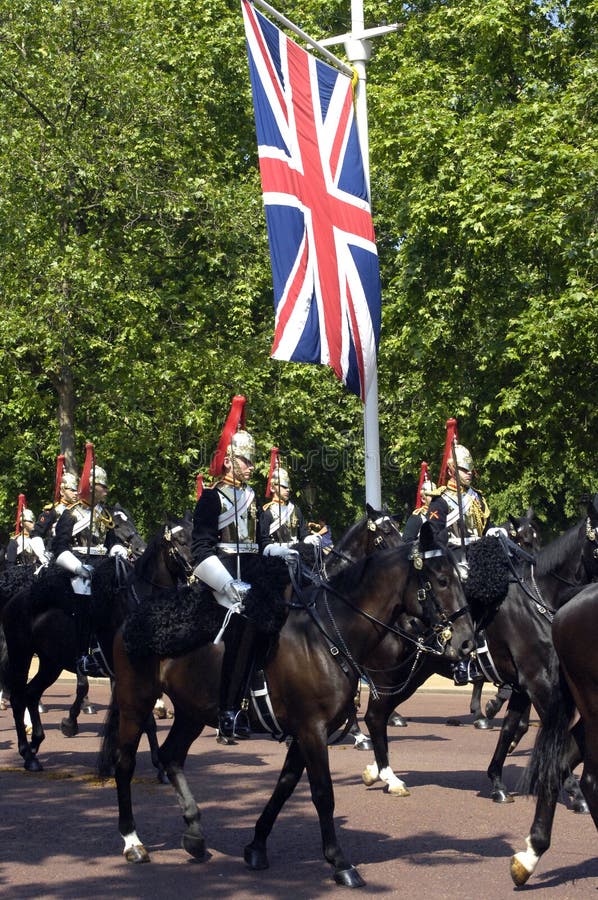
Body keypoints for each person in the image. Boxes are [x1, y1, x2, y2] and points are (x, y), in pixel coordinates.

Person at [191, 395, 262, 741]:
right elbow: (200, 549)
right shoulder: (211, 498)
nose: (252, 467)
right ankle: (227, 709)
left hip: (251, 578)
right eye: (247, 461)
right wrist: (228, 585)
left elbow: (259, 543)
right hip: (222, 584)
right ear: (230, 461)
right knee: (236, 636)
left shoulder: (251, 497)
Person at [52, 465, 128, 677]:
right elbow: (59, 547)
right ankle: (83, 653)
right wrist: (77, 566)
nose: (106, 491)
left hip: (103, 566)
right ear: (91, 487)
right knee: (85, 597)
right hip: (78, 566)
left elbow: (111, 540)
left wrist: (117, 548)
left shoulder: (104, 513)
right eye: (103, 487)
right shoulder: (70, 514)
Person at [426, 443, 490, 685]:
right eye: (465, 470)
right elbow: (435, 534)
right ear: (453, 471)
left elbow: (486, 527)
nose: (470, 473)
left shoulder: (477, 498)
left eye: (471, 470)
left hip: (480, 554)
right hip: (454, 558)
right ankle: (461, 659)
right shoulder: (440, 501)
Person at [259, 465, 321, 564]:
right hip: (275, 560)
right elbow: (263, 541)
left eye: (288, 487)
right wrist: (273, 550)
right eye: (283, 486)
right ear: (272, 488)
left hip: (297, 555)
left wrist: (309, 539)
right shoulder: (266, 512)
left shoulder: (295, 510)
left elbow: (303, 534)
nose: (287, 490)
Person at [32, 472, 79, 551]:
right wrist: (42, 554)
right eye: (72, 490)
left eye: (77, 490)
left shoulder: (79, 510)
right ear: (62, 491)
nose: (76, 493)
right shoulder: (53, 511)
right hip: (57, 553)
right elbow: (36, 534)